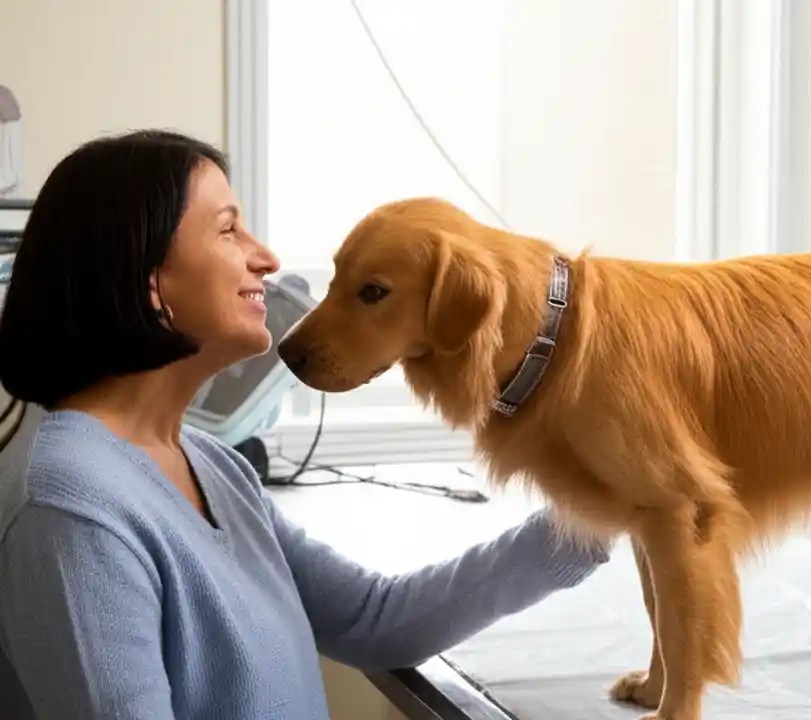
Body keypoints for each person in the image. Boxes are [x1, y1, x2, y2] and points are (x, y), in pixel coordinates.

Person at [0, 129, 611, 720]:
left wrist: (595, 507)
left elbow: (372, 621)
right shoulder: (72, 511)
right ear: (150, 281)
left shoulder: (211, 465)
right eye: (228, 230)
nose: (265, 258)